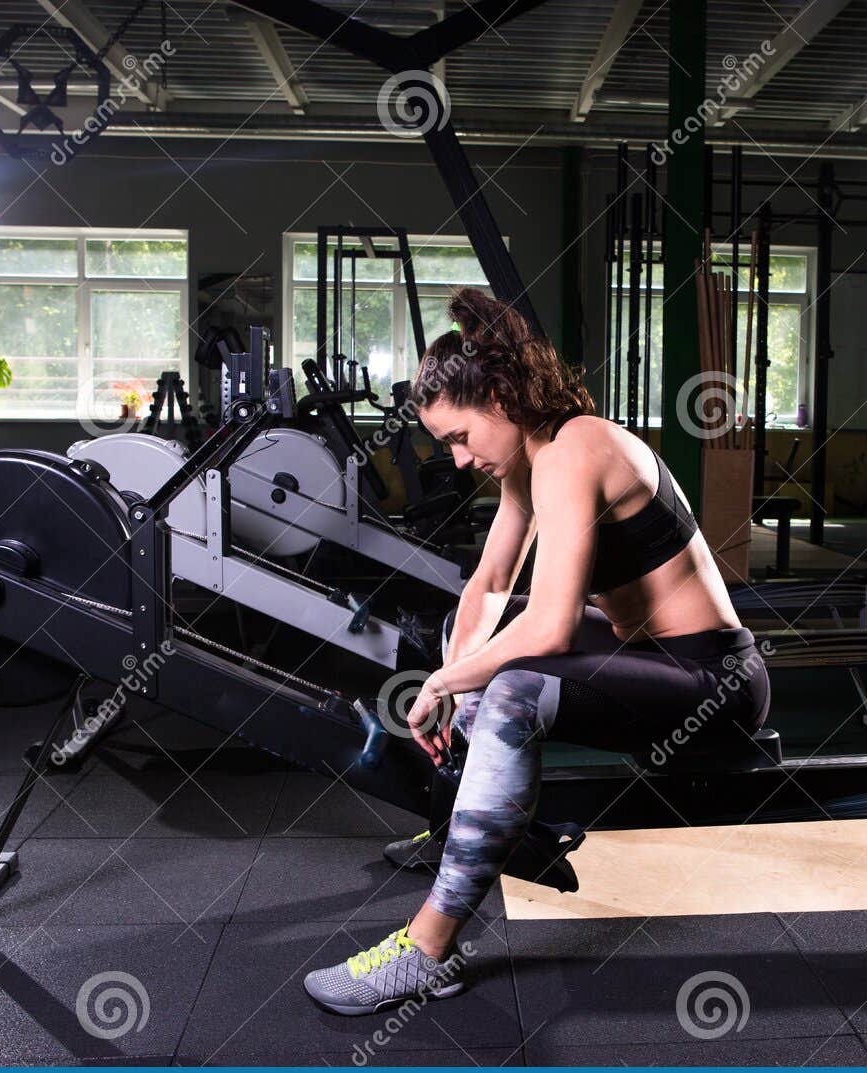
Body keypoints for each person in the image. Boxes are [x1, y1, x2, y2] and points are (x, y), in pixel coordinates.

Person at [303, 288, 770, 1016]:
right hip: (639, 650)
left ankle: (428, 950)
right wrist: (450, 686)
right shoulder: (533, 455)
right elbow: (488, 582)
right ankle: (479, 814)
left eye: (459, 437)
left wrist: (452, 683)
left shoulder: (576, 448)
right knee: (474, 642)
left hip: (712, 680)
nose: (457, 461)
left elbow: (552, 627)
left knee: (514, 687)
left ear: (496, 396)